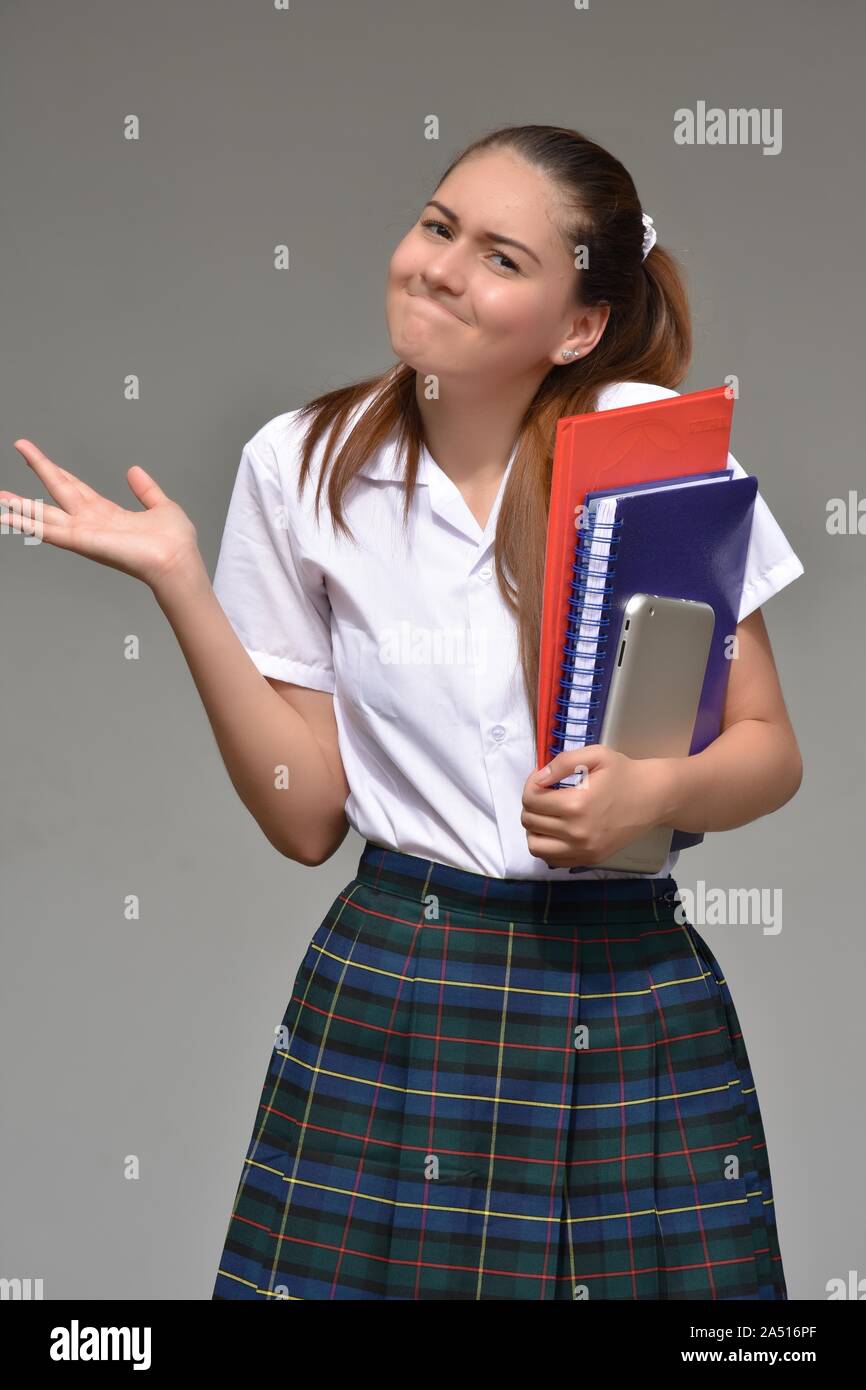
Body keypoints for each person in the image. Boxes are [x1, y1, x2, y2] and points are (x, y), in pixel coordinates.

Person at [2, 124, 803, 1301]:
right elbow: (305, 819)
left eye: (499, 257)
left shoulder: (651, 453)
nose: (437, 266)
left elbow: (767, 748)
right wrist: (182, 581)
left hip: (624, 991)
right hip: (400, 983)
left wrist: (660, 792)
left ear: (578, 325)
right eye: (435, 227)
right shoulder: (300, 463)